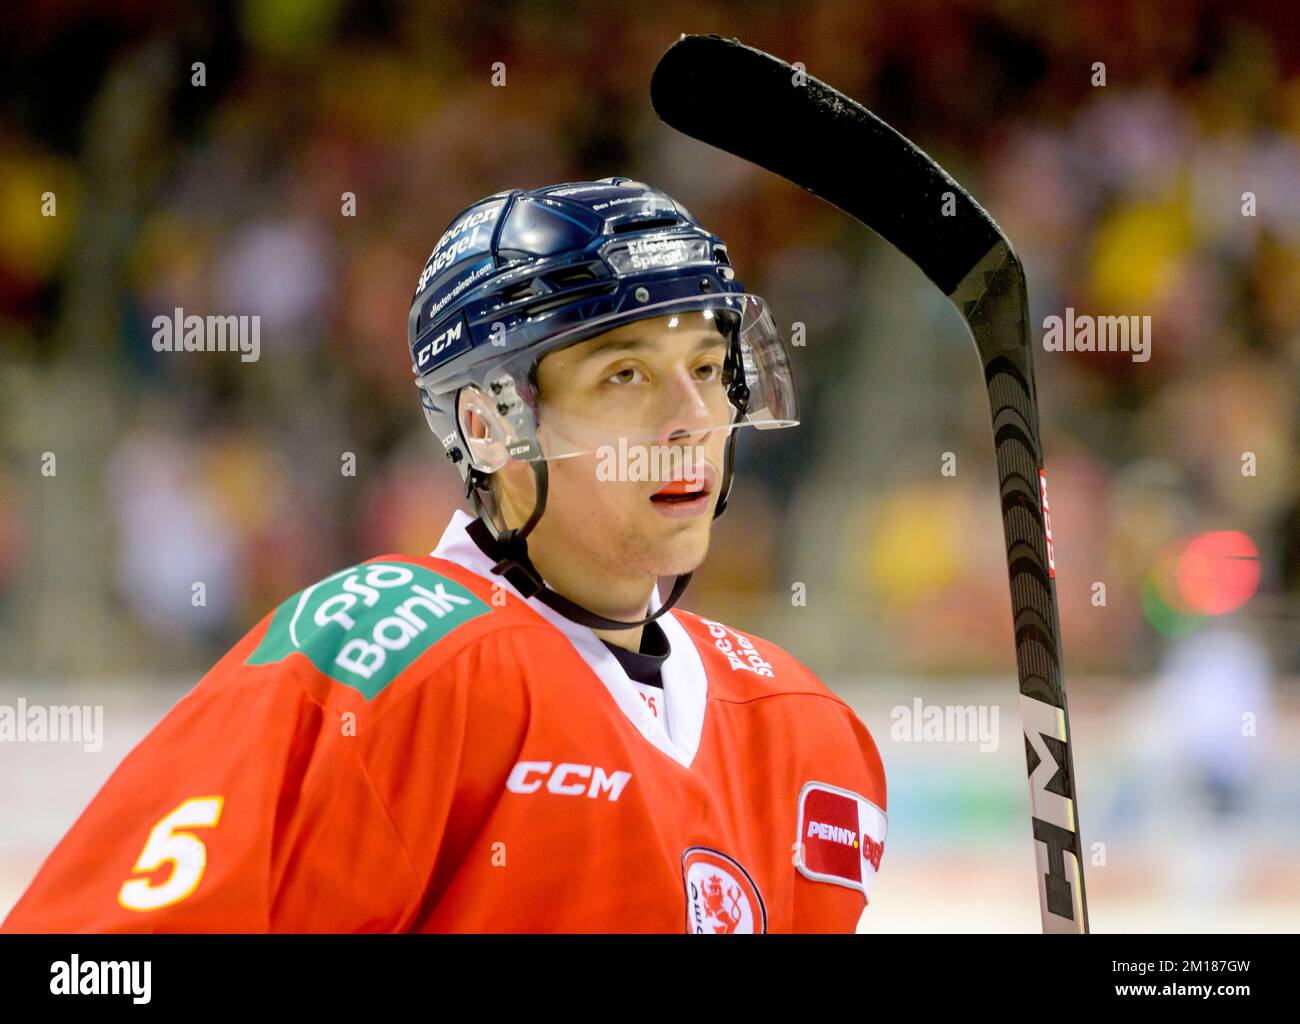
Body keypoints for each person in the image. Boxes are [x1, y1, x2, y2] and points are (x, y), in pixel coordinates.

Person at [3, 178, 886, 933]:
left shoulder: (806, 734)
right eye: (627, 375)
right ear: (490, 423)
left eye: (706, 364)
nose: (692, 418)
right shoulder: (389, 658)